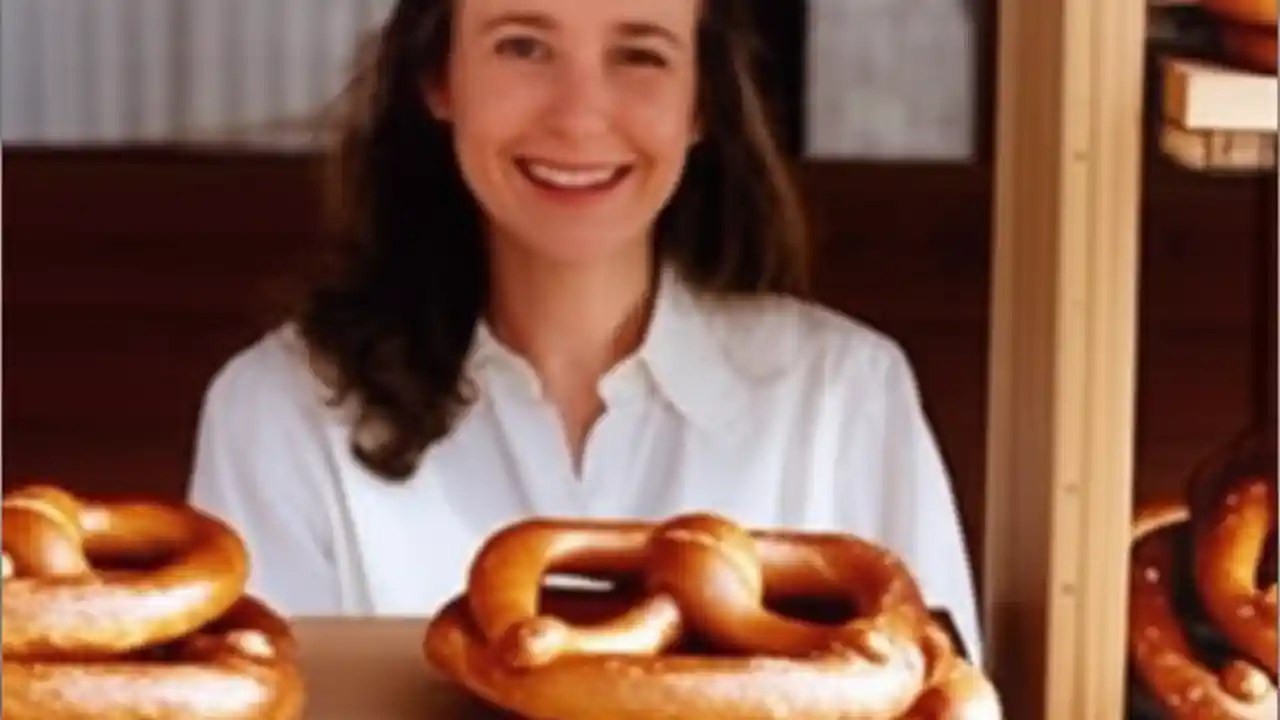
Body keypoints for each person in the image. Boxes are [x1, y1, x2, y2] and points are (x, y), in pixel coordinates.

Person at [188, 0, 986, 662]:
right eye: (524, 46)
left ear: (702, 99)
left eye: (639, 54)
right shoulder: (281, 411)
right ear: (438, 78)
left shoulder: (842, 397)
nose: (578, 116)